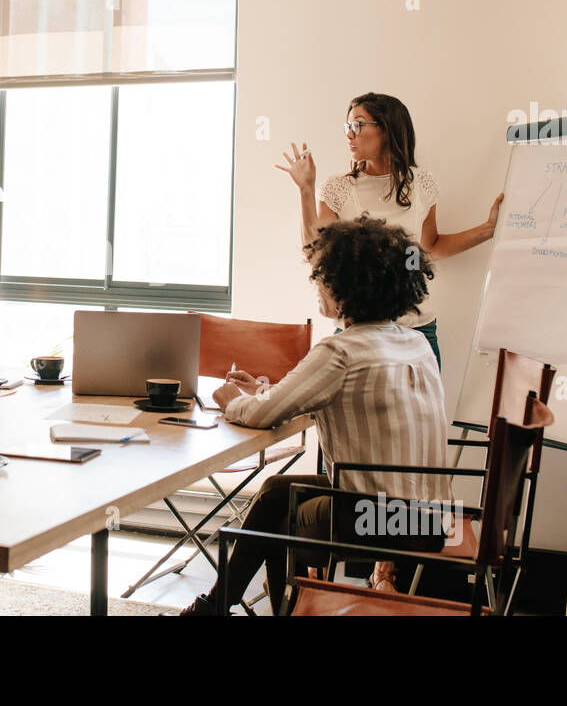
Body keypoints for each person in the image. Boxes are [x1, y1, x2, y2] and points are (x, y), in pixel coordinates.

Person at [179, 216, 453, 615]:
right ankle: (219, 607)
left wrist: (230, 400)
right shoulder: (413, 342)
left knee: (277, 513)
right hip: (429, 517)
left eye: (320, 278)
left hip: (379, 520)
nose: (316, 286)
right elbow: (301, 397)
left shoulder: (341, 350)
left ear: (343, 287)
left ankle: (216, 607)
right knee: (276, 491)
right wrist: (262, 392)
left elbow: (261, 416)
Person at [276, 92, 503, 369]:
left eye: (358, 125)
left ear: (387, 128)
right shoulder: (338, 188)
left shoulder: (422, 184)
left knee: (424, 413)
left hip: (416, 330)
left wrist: (489, 229)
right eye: (347, 126)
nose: (350, 134)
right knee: (356, 413)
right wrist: (306, 189)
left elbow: (429, 247)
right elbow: (317, 256)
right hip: (358, 331)